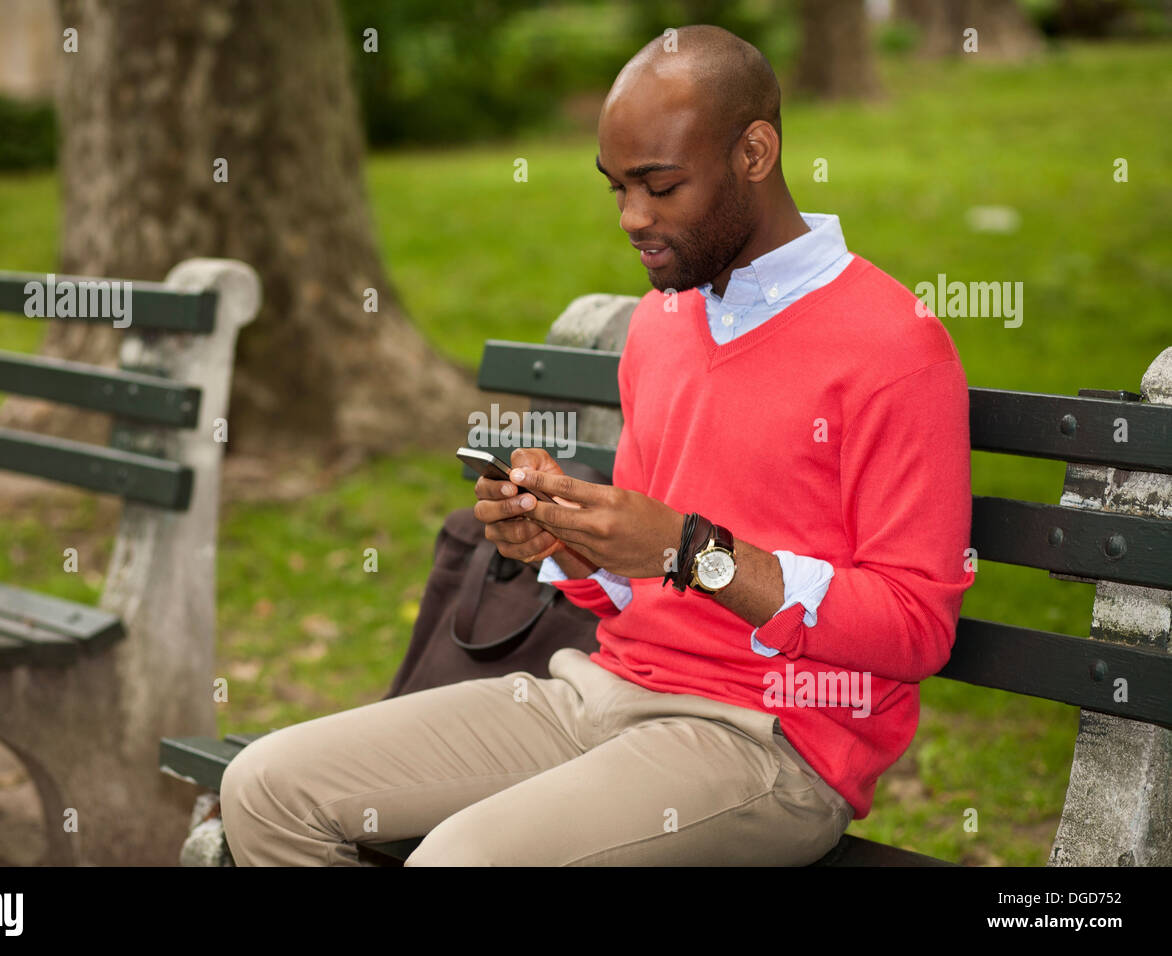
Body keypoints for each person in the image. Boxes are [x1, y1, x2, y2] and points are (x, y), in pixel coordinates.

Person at [220, 24, 975, 866]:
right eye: (616, 188)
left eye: (660, 186)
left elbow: (915, 629)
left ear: (755, 152)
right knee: (266, 786)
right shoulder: (662, 320)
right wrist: (568, 542)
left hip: (770, 742)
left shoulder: (893, 346)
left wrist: (693, 552)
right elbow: (634, 590)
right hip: (601, 695)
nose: (631, 218)